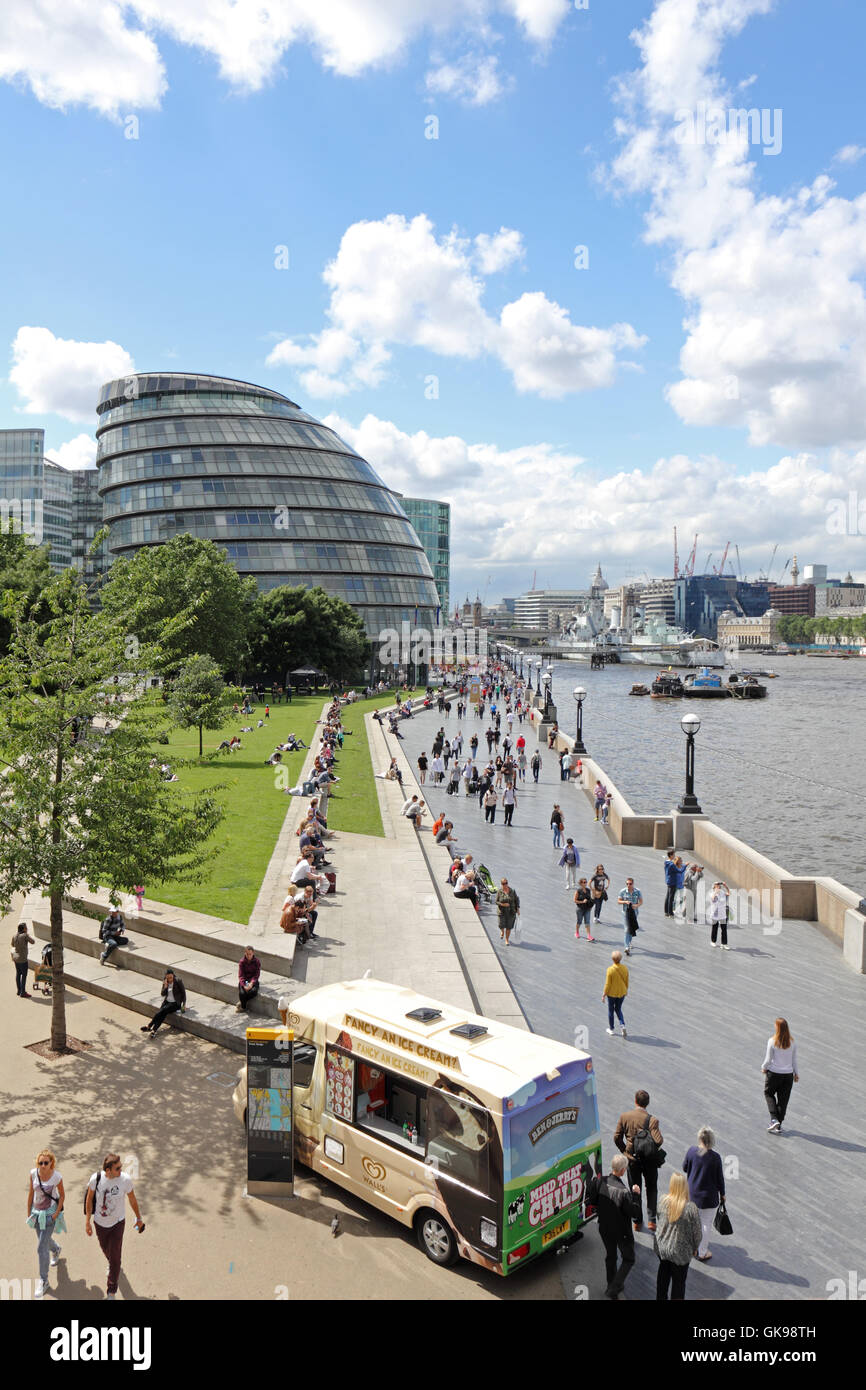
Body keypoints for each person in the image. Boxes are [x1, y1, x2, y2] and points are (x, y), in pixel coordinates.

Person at [85, 1153, 145, 1300]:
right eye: (117, 1168)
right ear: (108, 1170)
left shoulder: (125, 1180)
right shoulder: (96, 1179)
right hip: (100, 1224)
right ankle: (113, 1264)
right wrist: (87, 1221)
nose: (121, 1170)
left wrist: (139, 1218)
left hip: (118, 1223)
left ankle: (111, 1291)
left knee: (116, 1257)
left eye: (121, 1167)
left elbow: (132, 1200)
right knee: (107, 1250)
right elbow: (89, 1199)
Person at [587, 1155, 641, 1300]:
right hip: (621, 1232)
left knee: (611, 1255)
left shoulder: (599, 1181)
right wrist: (636, 1195)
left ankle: (611, 1284)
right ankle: (614, 1288)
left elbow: (592, 1200)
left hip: (604, 1227)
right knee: (629, 1258)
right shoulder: (624, 1192)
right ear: (623, 1171)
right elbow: (634, 1213)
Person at [614, 1089, 664, 1231]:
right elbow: (659, 1141)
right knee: (652, 1187)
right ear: (647, 1104)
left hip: (632, 1160)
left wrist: (625, 1150)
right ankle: (652, 1221)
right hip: (649, 1160)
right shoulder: (652, 1120)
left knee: (635, 1188)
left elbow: (616, 1137)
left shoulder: (625, 1117)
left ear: (635, 1101)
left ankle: (637, 1221)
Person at [655, 1172, 701, 1300]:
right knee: (679, 1284)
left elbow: (659, 1217)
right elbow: (697, 1233)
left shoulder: (663, 1200)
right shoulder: (691, 1208)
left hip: (663, 1248)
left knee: (662, 1279)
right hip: (680, 1253)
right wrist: (695, 1248)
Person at [27, 1149, 67, 1298]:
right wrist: (29, 1212)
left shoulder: (56, 1176)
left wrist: (55, 1214)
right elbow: (31, 1193)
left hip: (50, 1215)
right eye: (40, 1162)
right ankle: (56, 1249)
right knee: (43, 1241)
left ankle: (44, 1281)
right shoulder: (33, 1174)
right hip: (37, 1214)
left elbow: (62, 1195)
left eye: (46, 1162)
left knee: (40, 1248)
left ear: (51, 1163)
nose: (43, 1165)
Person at [683, 1126, 726, 1261]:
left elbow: (685, 1167)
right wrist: (723, 1194)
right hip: (709, 1198)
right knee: (705, 1224)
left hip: (691, 1194)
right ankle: (702, 1252)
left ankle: (690, 1247)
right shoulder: (715, 1158)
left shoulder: (691, 1151)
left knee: (691, 1221)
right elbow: (720, 1179)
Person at [761, 1016, 799, 1133]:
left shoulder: (772, 1041)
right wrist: (796, 1073)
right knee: (783, 1100)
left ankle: (774, 1119)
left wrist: (763, 1068)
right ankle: (778, 1124)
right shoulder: (792, 1042)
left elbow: (768, 1059)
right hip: (788, 1076)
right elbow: (794, 1060)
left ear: (777, 1027)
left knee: (768, 1093)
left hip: (774, 1074)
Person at [140, 970, 186, 1039]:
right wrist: (165, 986)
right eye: (168, 978)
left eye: (171, 977)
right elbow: (162, 994)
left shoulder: (178, 981)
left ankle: (149, 1026)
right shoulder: (165, 981)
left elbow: (184, 993)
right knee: (162, 1014)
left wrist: (184, 1005)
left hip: (175, 1004)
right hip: (166, 1002)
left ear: (173, 975)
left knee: (162, 1011)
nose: (170, 979)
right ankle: (154, 1031)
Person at [602, 950, 629, 1038]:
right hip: (622, 992)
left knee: (611, 1010)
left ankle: (611, 1029)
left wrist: (604, 994)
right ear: (620, 959)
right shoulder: (625, 968)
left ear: (612, 959)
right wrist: (626, 990)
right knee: (618, 1009)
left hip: (612, 994)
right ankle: (622, 1025)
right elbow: (626, 981)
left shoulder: (610, 970)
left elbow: (607, 984)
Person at [617, 877, 643, 955]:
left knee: (632, 928)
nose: (628, 885)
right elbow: (618, 901)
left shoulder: (637, 891)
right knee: (626, 929)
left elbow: (641, 902)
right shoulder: (622, 891)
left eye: (630, 884)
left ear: (633, 884)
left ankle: (629, 942)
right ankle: (626, 947)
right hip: (626, 912)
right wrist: (625, 901)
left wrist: (636, 905)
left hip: (634, 912)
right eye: (627, 884)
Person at [11, 920, 35, 997]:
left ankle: (19, 990)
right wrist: (27, 935)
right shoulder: (25, 935)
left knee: (18, 974)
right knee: (24, 975)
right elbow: (33, 942)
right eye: (26, 927)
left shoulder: (14, 936)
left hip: (15, 958)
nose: (27, 928)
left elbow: (12, 944)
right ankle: (23, 992)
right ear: (23, 929)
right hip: (23, 959)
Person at [495, 878, 520, 945]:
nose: (505, 885)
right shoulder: (499, 891)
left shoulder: (512, 891)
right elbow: (496, 901)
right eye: (503, 884)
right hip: (502, 911)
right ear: (501, 884)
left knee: (509, 927)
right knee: (501, 925)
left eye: (506, 883)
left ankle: (507, 940)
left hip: (511, 912)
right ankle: (502, 932)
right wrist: (503, 904)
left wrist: (518, 909)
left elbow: (516, 900)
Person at [237, 946, 261, 1012]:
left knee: (253, 992)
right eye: (247, 954)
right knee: (242, 993)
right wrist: (245, 984)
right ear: (245, 953)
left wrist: (251, 983)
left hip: (253, 980)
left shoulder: (257, 961)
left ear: (253, 953)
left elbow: (257, 974)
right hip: (245, 981)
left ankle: (242, 1002)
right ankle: (243, 1007)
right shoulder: (242, 962)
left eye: (250, 954)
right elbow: (241, 975)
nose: (248, 956)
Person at [709, 880, 731, 948]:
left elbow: (729, 893)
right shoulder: (711, 893)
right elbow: (713, 899)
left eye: (719, 885)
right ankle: (713, 941)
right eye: (717, 885)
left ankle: (724, 944)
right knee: (714, 928)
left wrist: (725, 886)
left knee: (724, 929)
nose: (719, 886)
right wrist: (716, 891)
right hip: (715, 913)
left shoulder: (722, 892)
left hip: (722, 914)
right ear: (714, 886)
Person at [663, 849, 678, 917]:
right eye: (674, 854)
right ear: (671, 855)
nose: (674, 856)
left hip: (668, 880)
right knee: (671, 897)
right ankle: (670, 912)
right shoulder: (672, 864)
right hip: (672, 881)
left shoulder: (666, 862)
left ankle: (666, 911)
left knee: (668, 896)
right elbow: (679, 871)